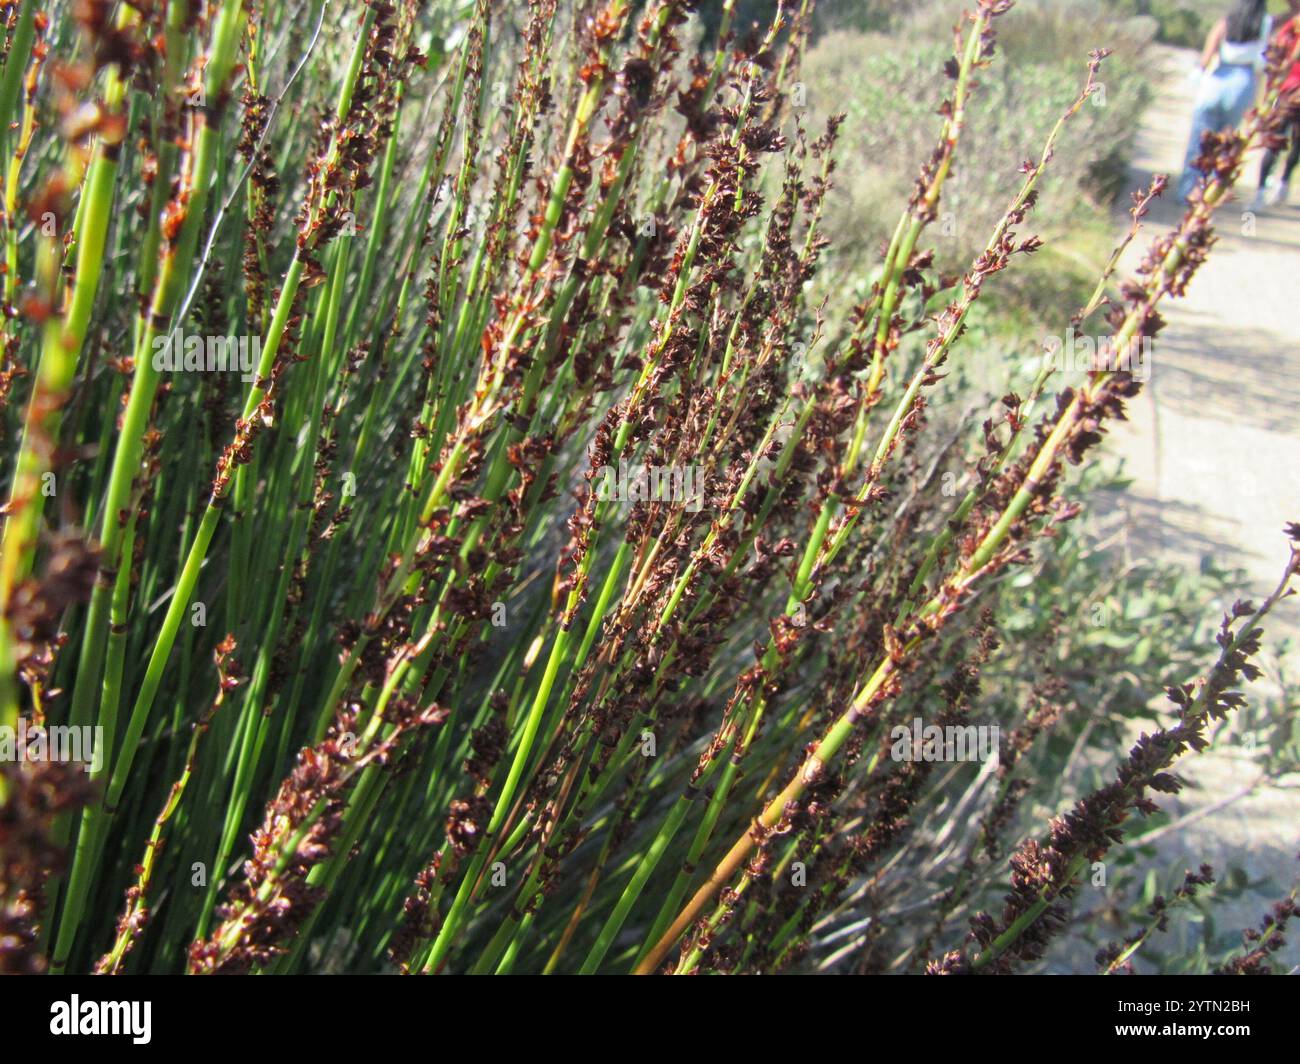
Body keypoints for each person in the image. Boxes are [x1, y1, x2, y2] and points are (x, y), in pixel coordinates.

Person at [1178, 0, 1273, 203]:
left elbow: (1208, 53)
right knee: (1225, 143)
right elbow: (1262, 65)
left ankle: (1187, 190)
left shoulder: (1227, 20)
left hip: (1218, 78)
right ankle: (1209, 194)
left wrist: (1200, 71)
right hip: (1244, 82)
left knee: (1199, 140)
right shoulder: (1265, 23)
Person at [1253, 1, 1300, 209]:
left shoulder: (1292, 24)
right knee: (1282, 140)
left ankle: (1270, 188)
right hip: (1284, 88)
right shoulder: (1289, 22)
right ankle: (1273, 187)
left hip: (1289, 89)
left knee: (1281, 140)